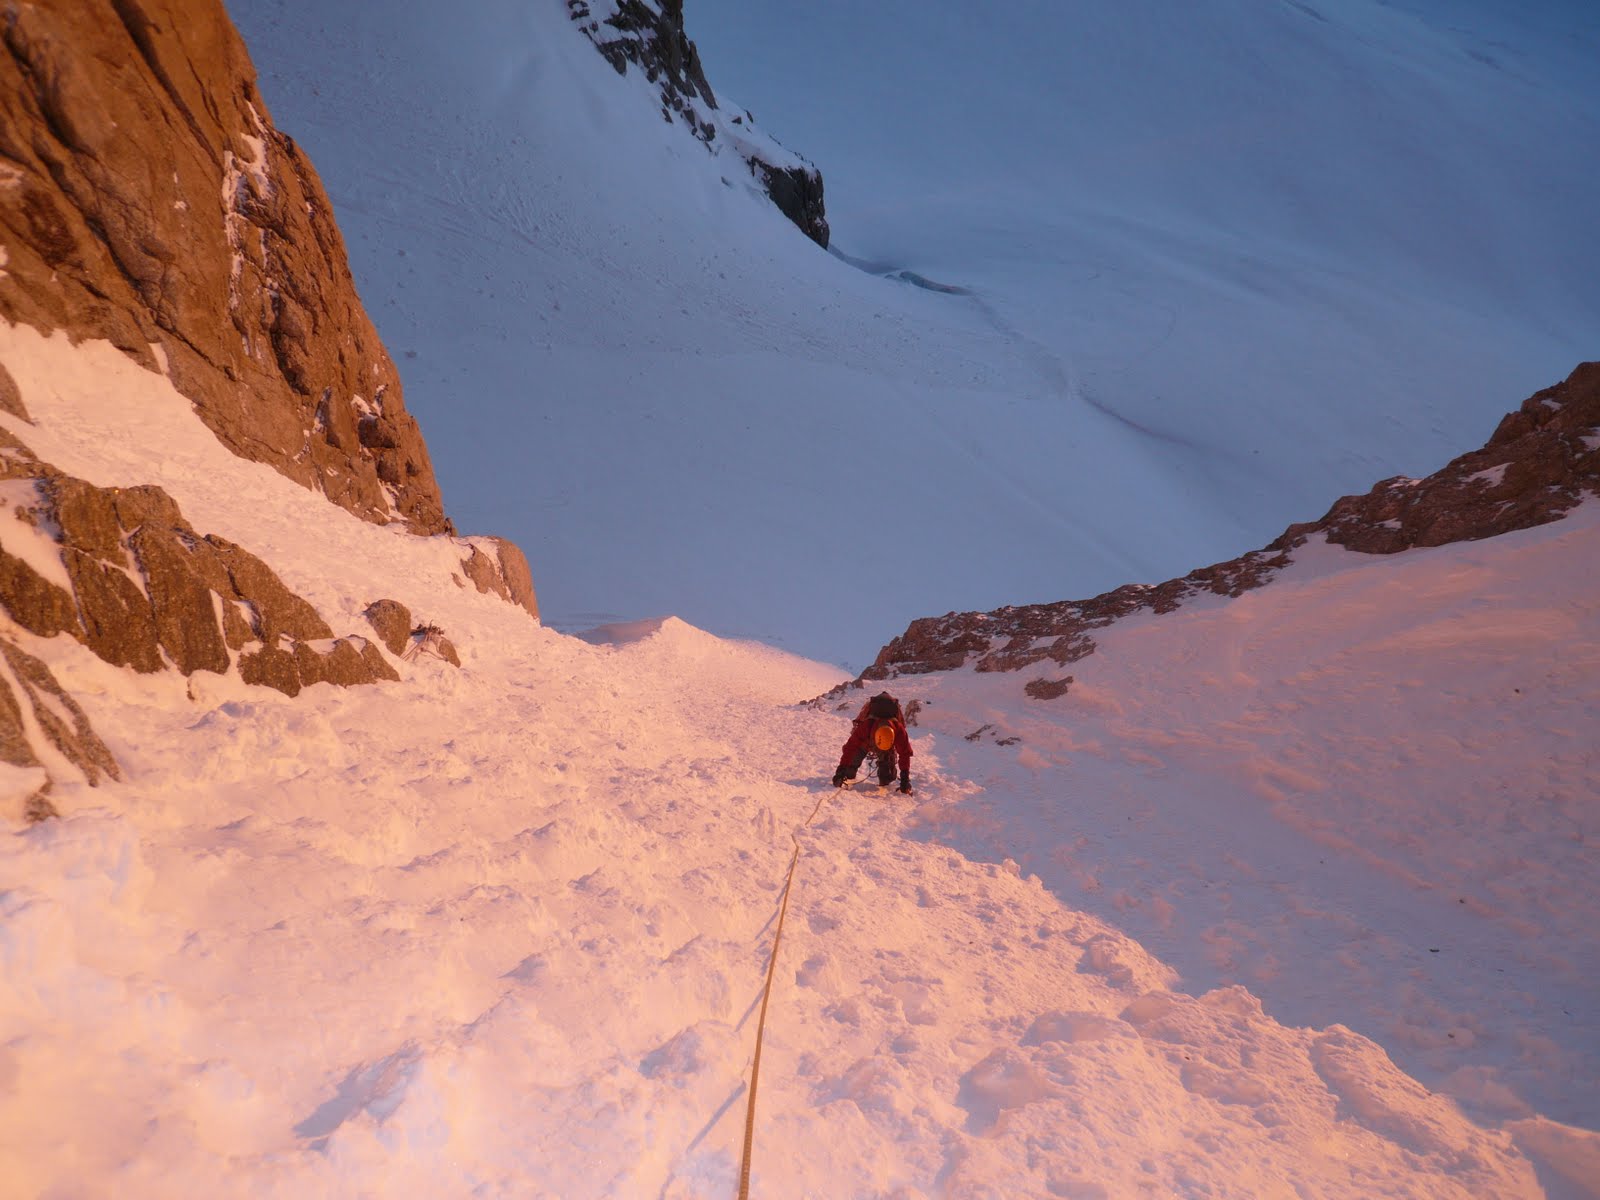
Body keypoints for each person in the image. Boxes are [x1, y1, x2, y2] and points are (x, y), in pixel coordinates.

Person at [832, 691, 913, 793]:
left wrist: (905, 779)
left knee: (887, 777)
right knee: (849, 771)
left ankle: (885, 778)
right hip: (864, 744)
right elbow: (850, 747)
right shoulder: (866, 725)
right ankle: (847, 775)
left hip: (886, 750)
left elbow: (905, 753)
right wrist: (841, 771)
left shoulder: (898, 729)